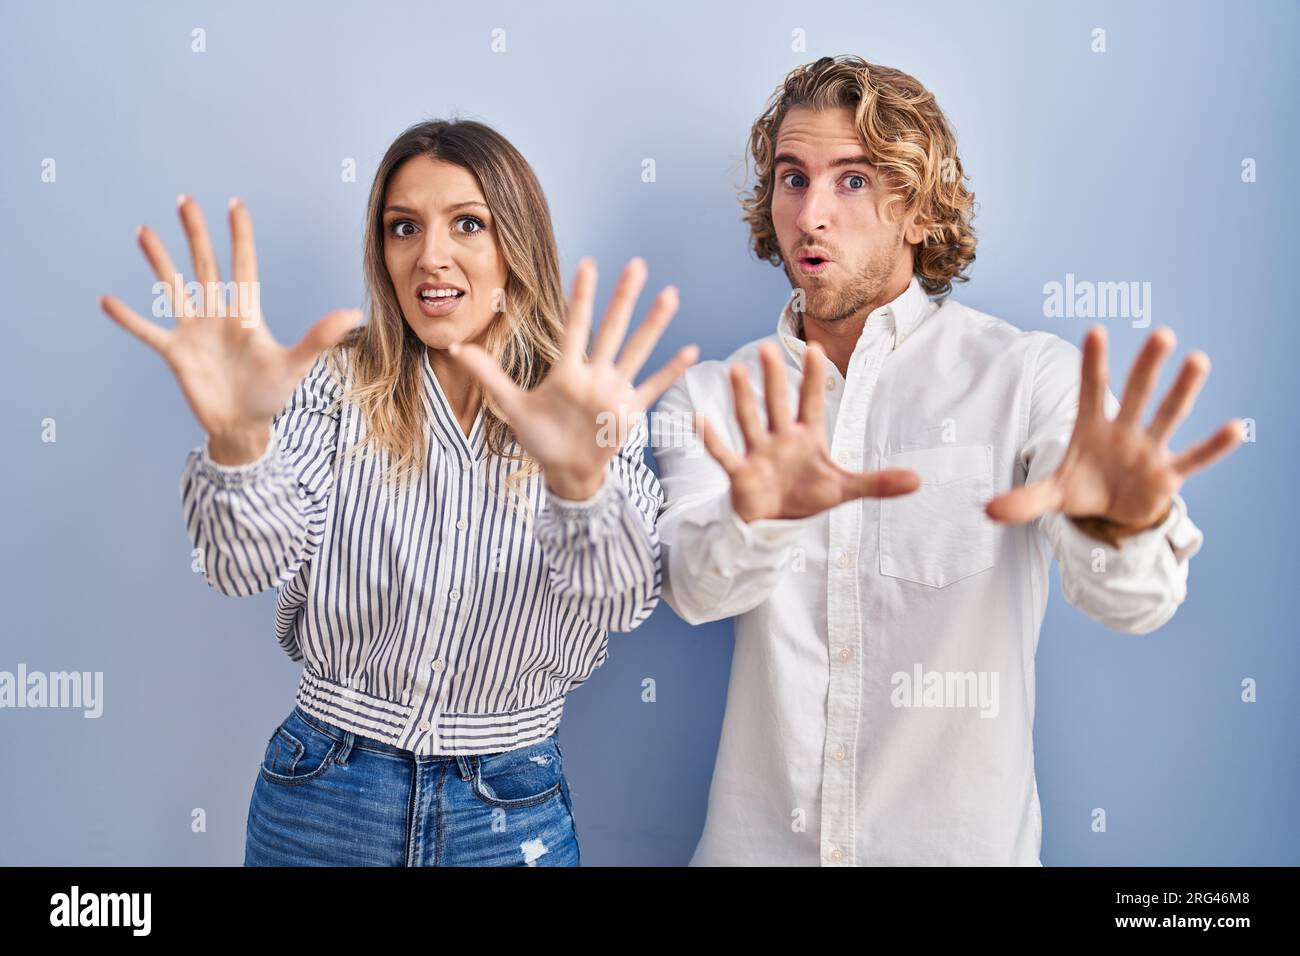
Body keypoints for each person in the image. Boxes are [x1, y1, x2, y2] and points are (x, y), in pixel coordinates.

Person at [652, 55, 1243, 866]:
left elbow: (1136, 604)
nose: (812, 213)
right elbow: (692, 590)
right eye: (793, 178)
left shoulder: (1028, 378)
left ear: (920, 211)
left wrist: (1126, 525)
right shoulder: (714, 399)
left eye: (853, 181)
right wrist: (759, 518)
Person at [101, 119, 696, 866]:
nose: (429, 257)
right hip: (324, 794)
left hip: (507, 807)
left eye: (467, 225)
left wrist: (580, 484)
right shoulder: (340, 383)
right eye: (402, 227)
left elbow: (619, 602)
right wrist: (239, 443)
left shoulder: (583, 400)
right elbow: (242, 568)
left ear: (516, 248)